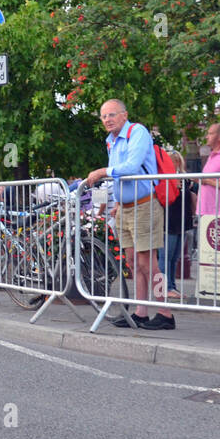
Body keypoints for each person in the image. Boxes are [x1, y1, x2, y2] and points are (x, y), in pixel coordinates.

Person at [78, 99, 174, 329]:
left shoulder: (137, 132)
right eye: (103, 116)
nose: (107, 120)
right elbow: (121, 177)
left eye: (112, 114)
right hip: (126, 207)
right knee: (133, 261)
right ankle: (140, 311)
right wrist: (119, 202)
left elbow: (132, 167)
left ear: (124, 115)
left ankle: (165, 312)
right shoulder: (111, 140)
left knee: (149, 263)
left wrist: (103, 171)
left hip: (144, 205)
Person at [159, 149, 192, 299]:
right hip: (169, 222)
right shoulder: (164, 178)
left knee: (174, 257)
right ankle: (163, 288)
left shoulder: (185, 179)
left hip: (181, 222)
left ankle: (171, 286)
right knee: (166, 256)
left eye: (174, 160)